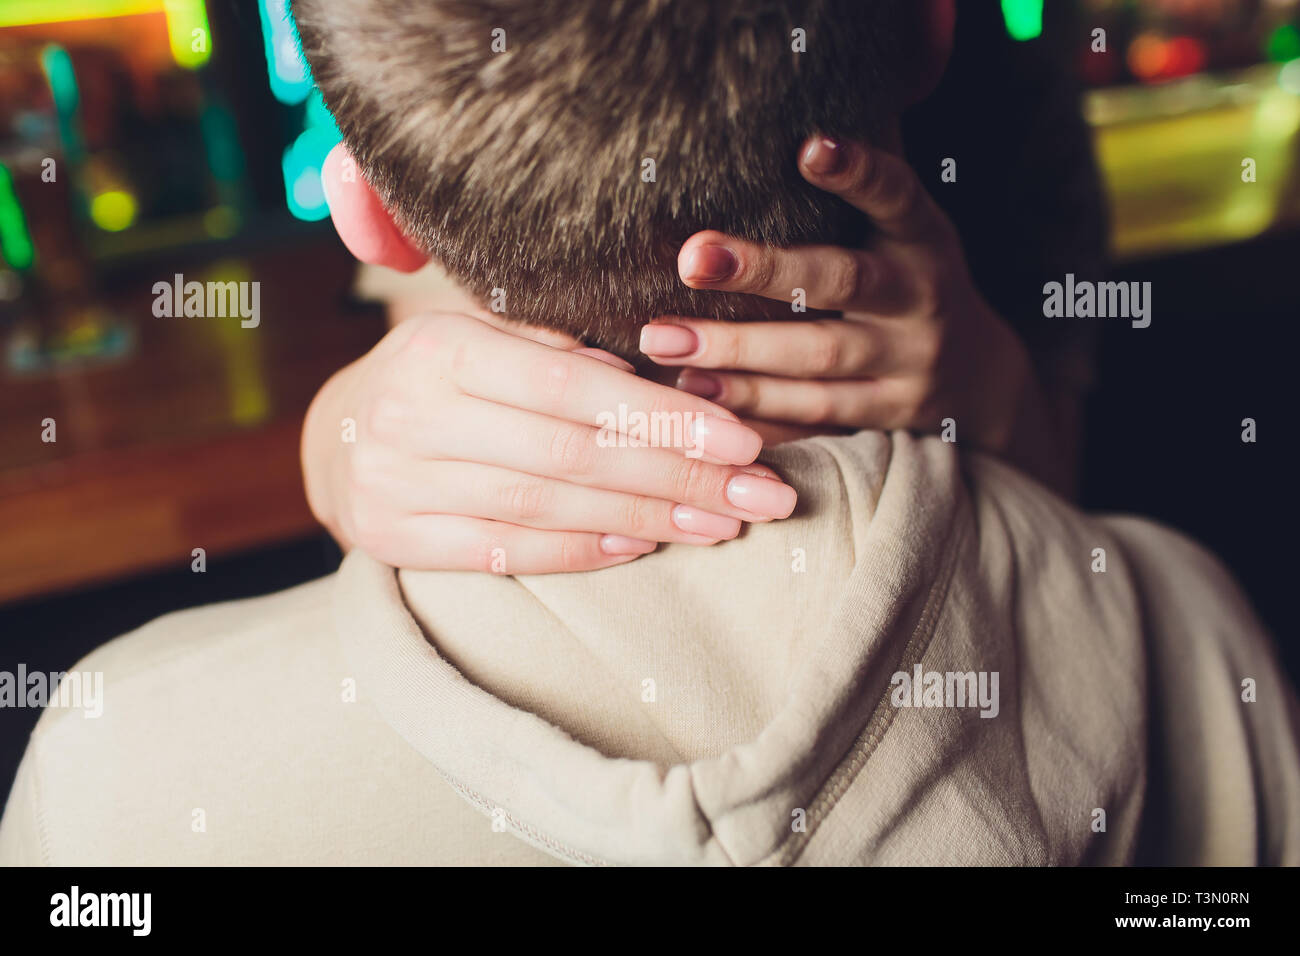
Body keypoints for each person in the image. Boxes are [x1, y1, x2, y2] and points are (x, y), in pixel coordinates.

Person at [2, 0, 1296, 866]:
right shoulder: (1194, 625)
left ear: (363, 206)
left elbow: (1049, 522)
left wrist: (990, 387)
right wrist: (346, 433)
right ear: (935, 31)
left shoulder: (110, 760)